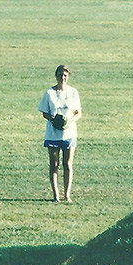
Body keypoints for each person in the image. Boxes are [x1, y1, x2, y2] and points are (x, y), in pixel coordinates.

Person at [37, 64, 82, 202]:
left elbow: (78, 113)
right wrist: (53, 120)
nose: (62, 78)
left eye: (65, 76)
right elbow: (44, 112)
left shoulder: (73, 92)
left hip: (69, 133)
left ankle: (67, 195)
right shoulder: (49, 93)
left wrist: (68, 121)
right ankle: (55, 195)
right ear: (56, 76)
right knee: (54, 164)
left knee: (67, 164)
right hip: (53, 133)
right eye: (60, 75)